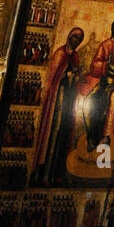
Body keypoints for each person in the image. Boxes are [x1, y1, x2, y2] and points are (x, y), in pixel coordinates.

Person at [32, 27, 84, 182]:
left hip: (68, 100)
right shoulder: (60, 54)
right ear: (69, 37)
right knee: (51, 135)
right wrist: (66, 76)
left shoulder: (74, 56)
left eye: (78, 39)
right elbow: (53, 79)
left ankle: (56, 173)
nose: (75, 41)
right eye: (74, 37)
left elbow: (74, 76)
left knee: (62, 135)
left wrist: (75, 76)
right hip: (55, 102)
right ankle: (43, 173)